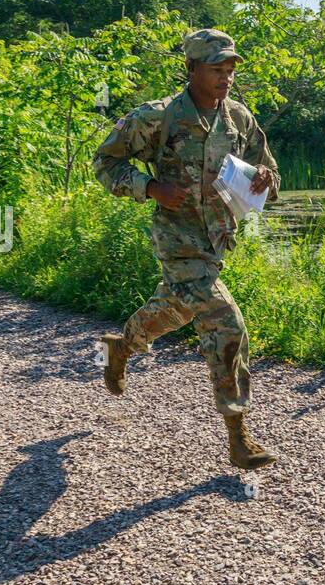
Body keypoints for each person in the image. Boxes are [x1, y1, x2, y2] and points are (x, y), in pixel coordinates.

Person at [92, 28, 279, 470]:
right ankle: (238, 436)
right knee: (225, 322)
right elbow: (105, 162)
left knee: (178, 308)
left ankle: (123, 347)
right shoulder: (156, 118)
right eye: (216, 69)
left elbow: (266, 165)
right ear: (191, 69)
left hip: (216, 236)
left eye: (230, 70)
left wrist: (268, 178)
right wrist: (151, 187)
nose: (225, 78)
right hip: (177, 238)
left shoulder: (237, 117)